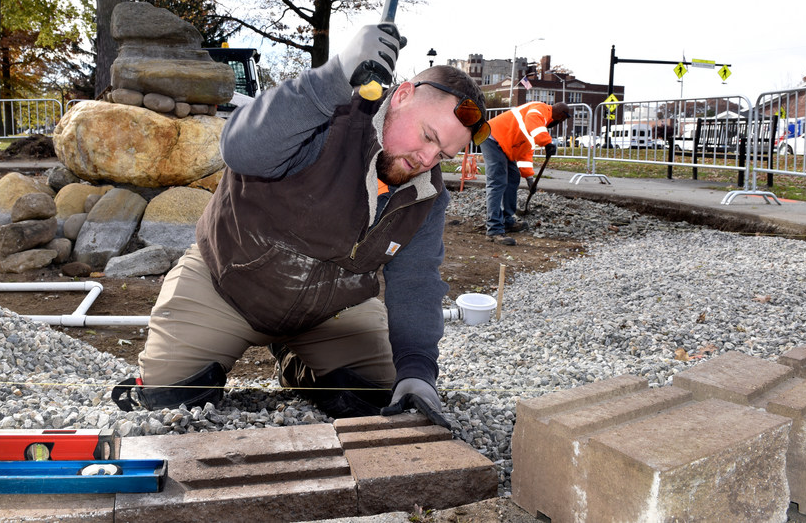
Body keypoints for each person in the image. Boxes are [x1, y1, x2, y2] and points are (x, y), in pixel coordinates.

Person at [111, 23, 490, 427]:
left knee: (377, 396)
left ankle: (294, 360)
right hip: (225, 283)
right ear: (401, 95)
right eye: (428, 136)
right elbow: (240, 149)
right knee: (169, 401)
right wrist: (334, 75)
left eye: (443, 154)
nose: (428, 160)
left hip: (330, 311)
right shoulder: (326, 115)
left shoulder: (427, 194)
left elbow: (416, 282)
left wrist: (417, 370)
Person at [481, 101, 570, 245]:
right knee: (497, 182)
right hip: (492, 138)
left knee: (513, 177)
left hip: (505, 144)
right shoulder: (541, 109)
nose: (559, 123)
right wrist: (547, 142)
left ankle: (507, 220)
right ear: (561, 115)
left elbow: (525, 154)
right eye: (561, 120)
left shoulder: (538, 124)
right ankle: (494, 229)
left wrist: (530, 179)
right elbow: (532, 120)